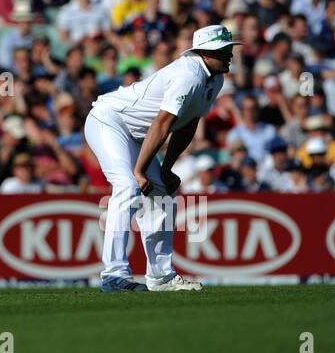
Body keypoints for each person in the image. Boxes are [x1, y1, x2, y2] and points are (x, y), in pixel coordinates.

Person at [82, 24, 241, 293]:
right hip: (109, 120)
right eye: (223, 50)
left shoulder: (215, 79)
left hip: (137, 134)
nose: (230, 54)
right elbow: (162, 123)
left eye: (229, 49)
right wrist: (141, 170)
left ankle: (160, 276)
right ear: (203, 51)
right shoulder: (188, 75)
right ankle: (113, 274)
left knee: (162, 195)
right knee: (128, 186)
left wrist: (166, 169)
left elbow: (188, 124)